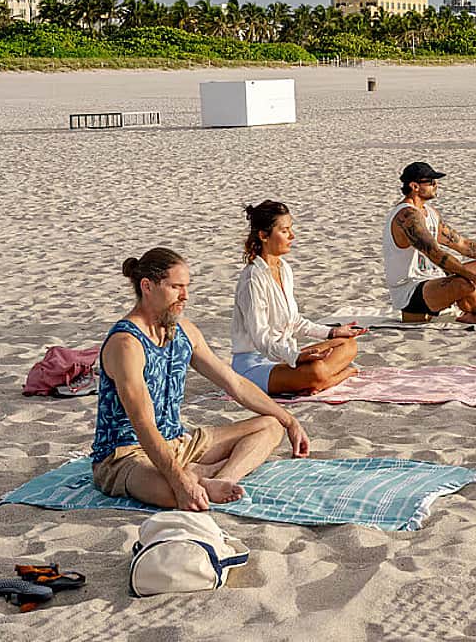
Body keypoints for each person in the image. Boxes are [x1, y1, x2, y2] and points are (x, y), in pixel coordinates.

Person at [92, 247, 311, 510]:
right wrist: (180, 482)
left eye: (186, 287)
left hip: (178, 442)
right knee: (175, 495)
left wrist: (290, 421)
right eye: (175, 287)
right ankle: (197, 476)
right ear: (147, 286)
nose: (184, 296)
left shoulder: (185, 331)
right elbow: (143, 424)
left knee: (271, 425)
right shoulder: (126, 344)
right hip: (127, 454)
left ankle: (222, 477)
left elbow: (235, 383)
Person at [231, 201, 366, 395]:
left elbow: (294, 322)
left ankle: (317, 381)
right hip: (255, 365)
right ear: (263, 236)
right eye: (285, 231)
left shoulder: (283, 268)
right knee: (317, 371)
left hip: (285, 357)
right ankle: (334, 377)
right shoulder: (252, 279)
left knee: (348, 344)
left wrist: (333, 333)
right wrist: (295, 357)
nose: (292, 236)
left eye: (290, 229)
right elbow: (261, 339)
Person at [383, 161, 476, 324]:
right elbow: (436, 254)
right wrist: (472, 276)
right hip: (411, 290)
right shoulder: (407, 216)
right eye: (431, 182)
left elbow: (461, 244)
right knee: (464, 283)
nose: (436, 185)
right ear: (414, 186)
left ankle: (473, 310)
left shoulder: (430, 213)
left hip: (435, 281)